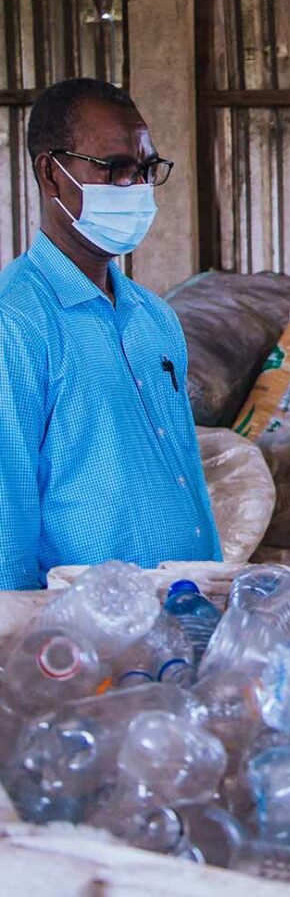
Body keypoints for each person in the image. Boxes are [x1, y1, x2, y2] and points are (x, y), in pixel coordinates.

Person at [0, 78, 222, 590]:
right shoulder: (17, 323)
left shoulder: (154, 317)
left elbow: (185, 474)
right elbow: (6, 520)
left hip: (183, 608)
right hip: (82, 627)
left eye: (145, 169)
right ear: (51, 174)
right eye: (115, 168)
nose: (136, 187)